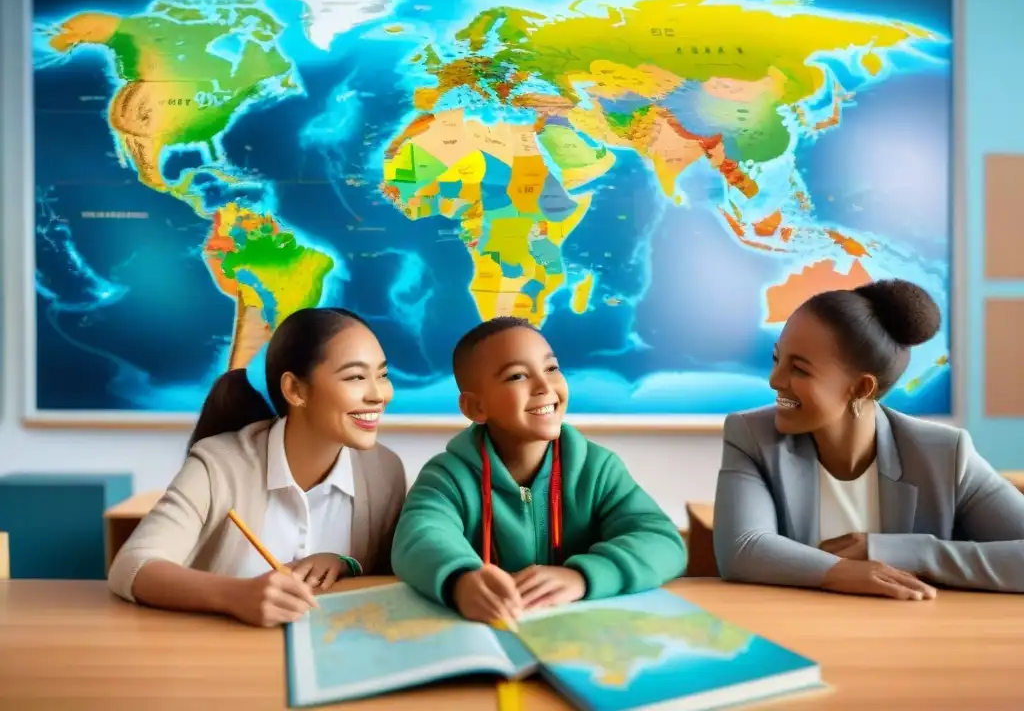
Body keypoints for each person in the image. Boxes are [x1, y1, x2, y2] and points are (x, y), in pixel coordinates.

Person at [713, 279, 1024, 598]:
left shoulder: (945, 454)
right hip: (797, 625)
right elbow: (742, 548)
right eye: (777, 359)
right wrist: (842, 572)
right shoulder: (752, 435)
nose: (775, 380)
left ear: (862, 388)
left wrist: (913, 553)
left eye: (800, 370)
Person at [108, 307, 407, 626]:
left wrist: (346, 563)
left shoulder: (384, 471)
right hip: (220, 648)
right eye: (356, 377)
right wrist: (236, 595)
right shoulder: (218, 464)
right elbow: (131, 566)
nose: (379, 395)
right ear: (295, 390)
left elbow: (392, 575)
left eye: (382, 375)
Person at [391, 316, 686, 625]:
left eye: (551, 368)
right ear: (475, 407)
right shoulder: (447, 476)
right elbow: (419, 537)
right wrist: (460, 580)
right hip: (487, 629)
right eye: (517, 376)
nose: (545, 386)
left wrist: (582, 577)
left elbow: (662, 541)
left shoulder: (598, 469)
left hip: (577, 632)